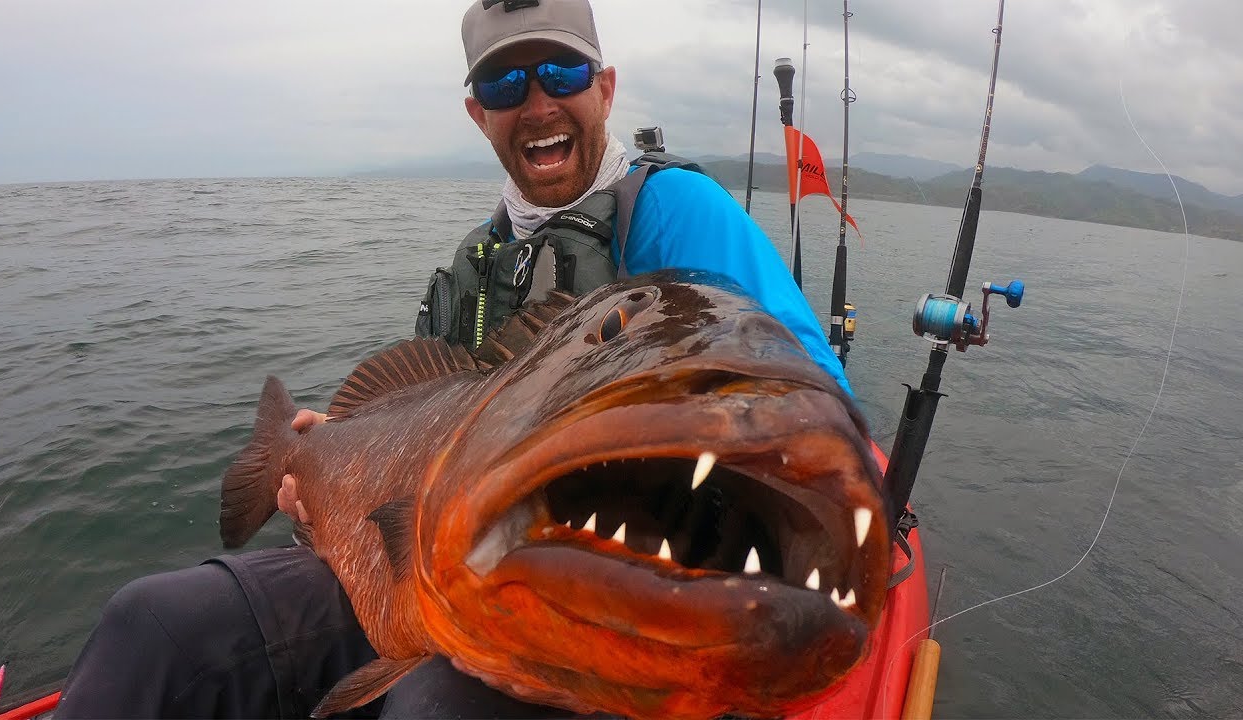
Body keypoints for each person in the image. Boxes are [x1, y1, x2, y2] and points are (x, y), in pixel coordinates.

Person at [55, 1, 855, 718]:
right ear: (479, 114)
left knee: (430, 709)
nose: (538, 103)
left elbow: (797, 391)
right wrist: (326, 462)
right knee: (152, 624)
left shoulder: (675, 210)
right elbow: (424, 414)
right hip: (413, 580)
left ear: (605, 89)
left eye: (562, 73)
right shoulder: (482, 254)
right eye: (507, 86)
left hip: (593, 611)